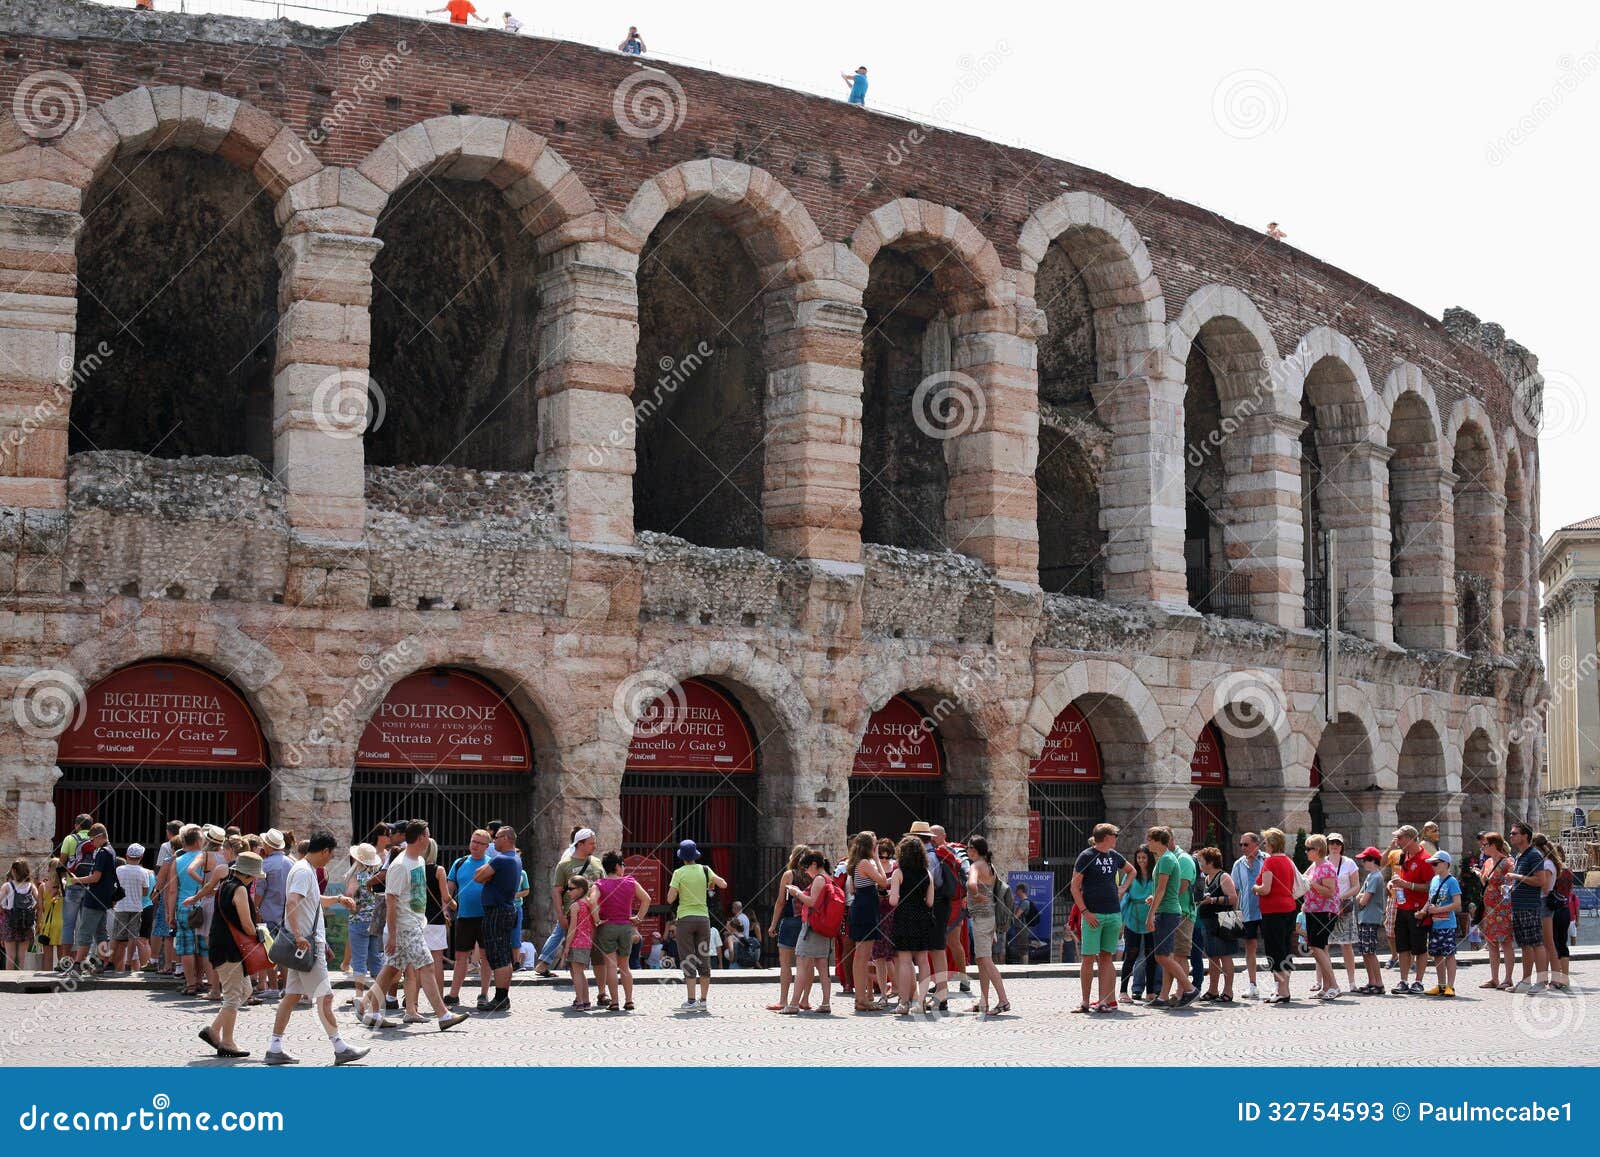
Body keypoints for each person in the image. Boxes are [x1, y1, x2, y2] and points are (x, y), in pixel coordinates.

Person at [361, 820, 468, 1031]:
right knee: (427, 966)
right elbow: (391, 902)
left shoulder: (418, 860)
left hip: (416, 924)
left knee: (391, 969)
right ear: (421, 838)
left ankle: (370, 1010)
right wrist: (392, 935)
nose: (429, 838)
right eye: (427, 834)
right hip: (405, 926)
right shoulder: (400, 866)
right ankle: (443, 1015)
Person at [199, 850, 265, 1060]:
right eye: (254, 876)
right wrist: (260, 934)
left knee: (244, 990)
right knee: (233, 996)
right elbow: (247, 924)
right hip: (230, 949)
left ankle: (212, 1031)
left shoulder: (224, 886)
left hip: (221, 945)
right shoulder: (240, 890)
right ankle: (227, 1043)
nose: (255, 879)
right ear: (248, 875)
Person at [1070, 822, 1126, 1013]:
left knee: (1106, 958)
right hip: (1093, 914)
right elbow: (1074, 887)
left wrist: (1123, 889)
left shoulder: (1114, 856)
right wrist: (1085, 911)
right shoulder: (1086, 856)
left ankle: (1104, 1000)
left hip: (1113, 913)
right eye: (1115, 835)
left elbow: (1131, 871)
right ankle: (1085, 1001)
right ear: (1107, 837)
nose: (1117, 838)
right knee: (1088, 958)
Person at [667, 839, 726, 1011]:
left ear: (682, 857)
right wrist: (709, 883)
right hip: (703, 919)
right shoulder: (705, 869)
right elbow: (723, 884)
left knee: (688, 958)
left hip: (685, 919)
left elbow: (670, 898)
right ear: (695, 855)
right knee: (704, 957)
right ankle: (703, 1000)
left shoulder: (678, 873)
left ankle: (691, 1001)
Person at [472, 825, 524, 1013]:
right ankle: (503, 997)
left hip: (497, 911)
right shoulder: (515, 858)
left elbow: (477, 876)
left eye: (497, 837)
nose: (494, 840)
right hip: (507, 909)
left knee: (498, 956)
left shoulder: (501, 859)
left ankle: (501, 999)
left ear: (506, 838)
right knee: (504, 954)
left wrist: (487, 877)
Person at [1144, 826, 1195, 1008]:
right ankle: (1163, 996)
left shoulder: (1165, 859)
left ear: (1158, 841)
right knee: (1166, 955)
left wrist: (1150, 915)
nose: (1147, 842)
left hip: (1167, 912)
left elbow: (1162, 888)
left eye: (1150, 839)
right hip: (1168, 910)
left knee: (1162, 956)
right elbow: (1163, 889)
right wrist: (1153, 900)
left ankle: (1189, 989)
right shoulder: (1164, 858)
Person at [593, 851, 649, 1012]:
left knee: (610, 965)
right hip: (626, 927)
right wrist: (638, 917)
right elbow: (646, 899)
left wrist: (597, 919)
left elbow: (592, 900)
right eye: (623, 865)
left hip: (607, 926)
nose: (624, 868)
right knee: (625, 966)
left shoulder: (600, 884)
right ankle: (629, 1001)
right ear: (617, 866)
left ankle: (615, 1001)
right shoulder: (630, 882)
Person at [784, 851, 838, 1015]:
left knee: (801, 963)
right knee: (822, 966)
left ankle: (793, 1004)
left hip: (812, 928)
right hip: (823, 928)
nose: (806, 871)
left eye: (806, 867)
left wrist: (797, 893)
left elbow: (812, 902)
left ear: (814, 865)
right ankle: (825, 1003)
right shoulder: (828, 878)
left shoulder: (819, 879)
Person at [889, 833, 936, 1015]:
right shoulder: (927, 874)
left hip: (904, 917)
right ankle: (921, 1002)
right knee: (923, 960)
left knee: (905, 961)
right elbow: (930, 902)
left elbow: (893, 901)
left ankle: (904, 1002)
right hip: (923, 918)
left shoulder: (898, 873)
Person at [1251, 827, 1299, 1004]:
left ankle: (1282, 991)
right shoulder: (1288, 860)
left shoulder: (1270, 862)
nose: (1264, 845)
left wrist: (1255, 888)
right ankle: (1284, 988)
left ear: (1271, 844)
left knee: (1275, 950)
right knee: (1285, 948)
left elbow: (1266, 888)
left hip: (1273, 911)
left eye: (1265, 842)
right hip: (1288, 908)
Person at [446, 829, 492, 1009]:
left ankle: (484, 994)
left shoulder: (492, 864)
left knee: (486, 957)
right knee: (460, 957)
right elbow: (449, 890)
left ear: (487, 847)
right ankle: (453, 994)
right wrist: (447, 909)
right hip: (464, 917)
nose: (475, 845)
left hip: (486, 916)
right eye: (473, 841)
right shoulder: (459, 863)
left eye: (480, 843)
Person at [965, 836, 1010, 1017]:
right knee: (981, 960)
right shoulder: (990, 865)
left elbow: (971, 883)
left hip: (982, 918)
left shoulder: (976, 866)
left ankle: (1003, 1001)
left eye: (968, 848)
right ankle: (983, 1001)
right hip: (988, 917)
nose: (967, 851)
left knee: (985, 960)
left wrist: (975, 894)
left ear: (974, 850)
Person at [1388, 825, 1434, 994]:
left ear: (1409, 838)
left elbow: (1431, 887)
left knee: (1420, 947)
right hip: (1402, 906)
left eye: (1400, 838)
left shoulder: (1425, 859)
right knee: (1402, 947)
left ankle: (1418, 981)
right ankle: (1403, 980)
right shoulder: (1403, 856)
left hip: (1418, 909)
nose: (1397, 842)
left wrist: (1408, 885)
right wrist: (1393, 883)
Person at [845, 832, 889, 1011]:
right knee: (862, 957)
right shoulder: (864, 863)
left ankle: (860, 998)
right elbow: (883, 882)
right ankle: (861, 999)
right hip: (866, 910)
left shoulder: (855, 863)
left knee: (860, 957)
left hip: (861, 908)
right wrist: (877, 859)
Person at [1505, 822, 1550, 992]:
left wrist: (1516, 876)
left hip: (1530, 906)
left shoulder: (1534, 855)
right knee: (1524, 945)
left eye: (1514, 833)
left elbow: (1541, 881)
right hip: (1518, 906)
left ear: (1525, 836)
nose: (1511, 836)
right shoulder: (1519, 855)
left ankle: (1541, 982)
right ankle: (1525, 981)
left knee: (1536, 943)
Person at [767, 844, 810, 1012]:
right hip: (808, 923)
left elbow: (780, 902)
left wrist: (772, 925)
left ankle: (783, 1000)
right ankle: (804, 1000)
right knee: (807, 964)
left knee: (785, 964)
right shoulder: (813, 876)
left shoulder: (789, 875)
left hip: (790, 921)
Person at [929, 825, 972, 999]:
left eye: (935, 835)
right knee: (936, 944)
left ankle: (964, 979)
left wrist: (965, 896)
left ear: (944, 835)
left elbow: (967, 873)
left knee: (953, 942)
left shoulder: (956, 850)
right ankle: (939, 981)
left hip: (953, 902)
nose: (932, 838)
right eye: (930, 835)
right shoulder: (930, 853)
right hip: (937, 901)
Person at [70, 823, 118, 972]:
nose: (91, 843)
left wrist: (77, 880)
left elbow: (96, 877)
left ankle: (78, 964)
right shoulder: (111, 851)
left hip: (95, 897)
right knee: (101, 932)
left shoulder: (103, 853)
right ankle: (103, 962)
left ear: (100, 837)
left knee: (85, 932)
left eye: (92, 840)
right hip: (104, 898)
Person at [1195, 846, 1239, 1000]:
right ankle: (1213, 990)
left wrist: (1213, 900)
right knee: (1212, 957)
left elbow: (1233, 898)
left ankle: (1228, 991)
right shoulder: (1205, 878)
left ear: (1211, 862)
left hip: (1224, 920)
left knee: (1225, 956)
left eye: (1202, 861)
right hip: (1208, 922)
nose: (1200, 864)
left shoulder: (1223, 877)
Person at [1301, 834, 1341, 1000]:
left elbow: (1330, 892)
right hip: (1313, 911)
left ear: (1317, 850)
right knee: (1320, 948)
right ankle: (1326, 987)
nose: (1306, 852)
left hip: (1325, 912)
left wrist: (1312, 884)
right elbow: (1303, 880)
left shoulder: (1327, 867)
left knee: (1317, 947)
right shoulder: (1314, 866)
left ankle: (1335, 986)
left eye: (1308, 849)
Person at [343, 843, 384, 1001]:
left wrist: (352, 905)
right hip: (375, 921)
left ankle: (359, 995)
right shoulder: (375, 878)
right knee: (375, 957)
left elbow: (349, 894)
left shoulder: (356, 876)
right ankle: (380, 994)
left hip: (359, 921)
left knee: (359, 958)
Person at [1229, 831, 1267, 999]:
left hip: (1266, 911)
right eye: (1241, 845)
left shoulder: (1267, 859)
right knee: (1249, 947)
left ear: (1256, 845)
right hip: (1247, 912)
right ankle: (1252, 985)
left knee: (1272, 947)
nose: (1243, 848)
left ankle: (1277, 984)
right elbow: (1235, 890)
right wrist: (1234, 915)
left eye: (1246, 844)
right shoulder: (1238, 864)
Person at [1476, 832, 1515, 990]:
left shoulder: (1507, 863)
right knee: (1491, 943)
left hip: (1502, 910)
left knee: (1505, 942)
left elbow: (1510, 884)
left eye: (1485, 844)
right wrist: (1481, 877)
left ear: (1493, 845)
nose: (1482, 847)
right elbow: (1486, 882)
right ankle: (1494, 978)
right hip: (1488, 909)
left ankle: (1508, 978)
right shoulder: (1487, 863)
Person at [1118, 846, 1157, 1001]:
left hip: (1150, 916)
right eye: (1138, 857)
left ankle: (1150, 992)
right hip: (1132, 917)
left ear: (1149, 859)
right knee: (1131, 954)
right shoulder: (1131, 874)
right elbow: (1123, 893)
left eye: (1144, 857)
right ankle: (1123, 991)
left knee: (1150, 955)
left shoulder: (1155, 875)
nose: (1141, 860)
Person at [1420, 850, 1461, 996]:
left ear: (1445, 864)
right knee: (1437, 954)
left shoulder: (1452, 881)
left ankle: (1450, 986)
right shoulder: (1434, 880)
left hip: (1447, 924)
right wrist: (1423, 911)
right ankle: (1441, 985)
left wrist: (1438, 910)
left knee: (1449, 954)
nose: (1433, 866)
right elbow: (1430, 900)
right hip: (1435, 924)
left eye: (1435, 864)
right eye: (1432, 864)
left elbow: (1457, 904)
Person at [557, 875, 599, 1009]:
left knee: (576, 974)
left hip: (576, 942)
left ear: (580, 889)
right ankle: (586, 1001)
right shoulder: (588, 903)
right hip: (586, 942)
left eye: (571, 888)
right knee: (581, 973)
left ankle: (580, 1001)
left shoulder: (575, 906)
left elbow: (572, 928)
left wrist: (566, 948)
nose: (568, 892)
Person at [1325, 834, 1360, 993]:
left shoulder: (1349, 863)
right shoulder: (1322, 862)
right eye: (1332, 843)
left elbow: (1356, 887)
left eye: (1337, 843)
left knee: (1346, 945)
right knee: (1322, 945)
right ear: (1327, 845)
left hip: (1343, 907)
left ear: (1342, 845)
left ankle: (1351, 982)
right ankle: (1323, 982)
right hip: (1326, 908)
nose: (1334, 846)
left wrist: (1340, 897)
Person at [109, 842, 148, 974]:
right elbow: (145, 892)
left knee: (115, 936)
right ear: (141, 857)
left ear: (127, 856)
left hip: (121, 907)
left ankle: (108, 961)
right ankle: (128, 962)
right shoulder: (144, 872)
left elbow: (114, 887)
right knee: (133, 936)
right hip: (136, 907)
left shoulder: (119, 870)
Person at [57, 813, 93, 954]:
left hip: (73, 884)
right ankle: (82, 958)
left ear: (77, 826)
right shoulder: (94, 840)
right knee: (86, 925)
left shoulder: (69, 839)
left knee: (68, 925)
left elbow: (62, 862)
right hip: (90, 885)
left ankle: (66, 959)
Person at [1, 860, 39, 969]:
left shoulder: (7, 886)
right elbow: (39, 902)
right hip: (26, 922)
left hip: (10, 921)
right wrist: (32, 910)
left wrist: (3, 909)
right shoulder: (31, 886)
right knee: (22, 957)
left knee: (10, 956)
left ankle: (9, 983)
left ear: (13, 871)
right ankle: (21, 980)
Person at [1548, 843, 1574, 989]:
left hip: (1553, 910)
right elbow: (1570, 890)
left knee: (1553, 945)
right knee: (1562, 944)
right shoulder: (1568, 871)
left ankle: (1556, 979)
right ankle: (1565, 978)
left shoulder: (1554, 871)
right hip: (1565, 909)